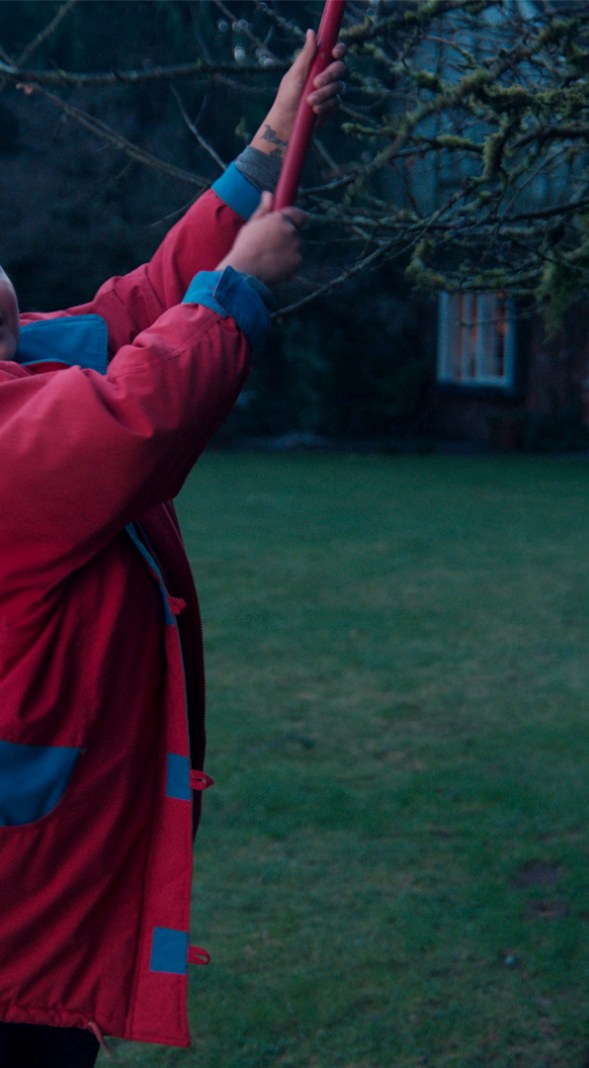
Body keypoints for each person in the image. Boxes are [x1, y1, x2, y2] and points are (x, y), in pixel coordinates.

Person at [0, 31, 345, 1068]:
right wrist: (238, 291)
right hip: (17, 910)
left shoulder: (26, 375)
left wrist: (272, 136)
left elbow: (146, 305)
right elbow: (133, 417)